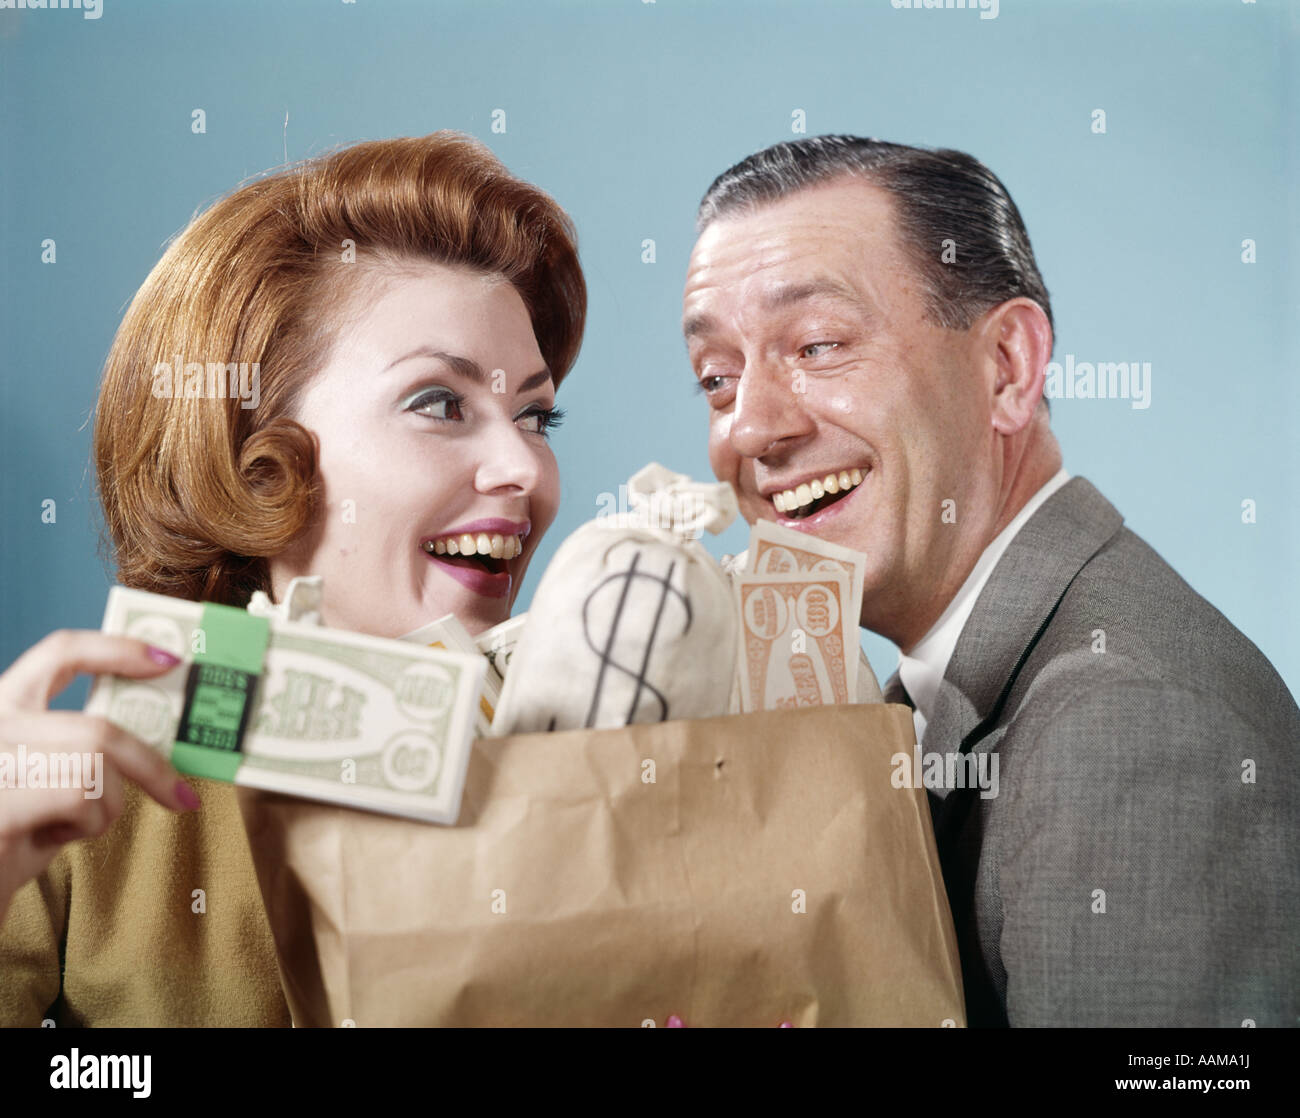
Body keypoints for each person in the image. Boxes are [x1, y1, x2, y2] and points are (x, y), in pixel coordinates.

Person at [682, 134, 1298, 1027]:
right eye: (717, 378)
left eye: (816, 346)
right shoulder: (920, 702)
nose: (750, 430)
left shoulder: (1127, 725)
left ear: (1007, 367)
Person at [0, 132, 585, 1025]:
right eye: (440, 402)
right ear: (257, 462)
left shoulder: (614, 768)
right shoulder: (83, 817)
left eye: (537, 415)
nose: (524, 468)